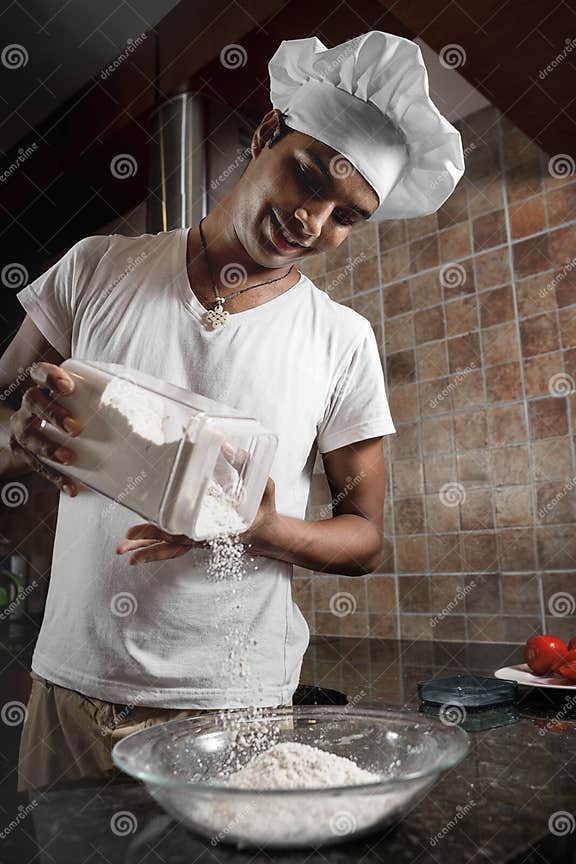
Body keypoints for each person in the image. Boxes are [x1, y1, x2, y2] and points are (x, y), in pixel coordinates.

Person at [0, 30, 464, 791]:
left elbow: (365, 538)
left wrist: (259, 528)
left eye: (347, 216)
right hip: (70, 686)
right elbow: (5, 411)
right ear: (266, 133)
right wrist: (21, 432)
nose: (313, 221)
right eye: (308, 176)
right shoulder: (95, 268)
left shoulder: (342, 340)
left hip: (230, 703)